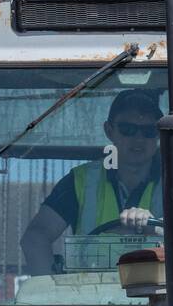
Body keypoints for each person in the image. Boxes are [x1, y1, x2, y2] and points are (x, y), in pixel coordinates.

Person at [21, 90, 164, 275]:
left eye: (148, 131)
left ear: (159, 134)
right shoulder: (80, 180)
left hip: (161, 299)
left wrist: (157, 229)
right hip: (90, 299)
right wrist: (52, 297)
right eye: (127, 129)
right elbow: (35, 237)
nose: (138, 138)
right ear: (109, 130)